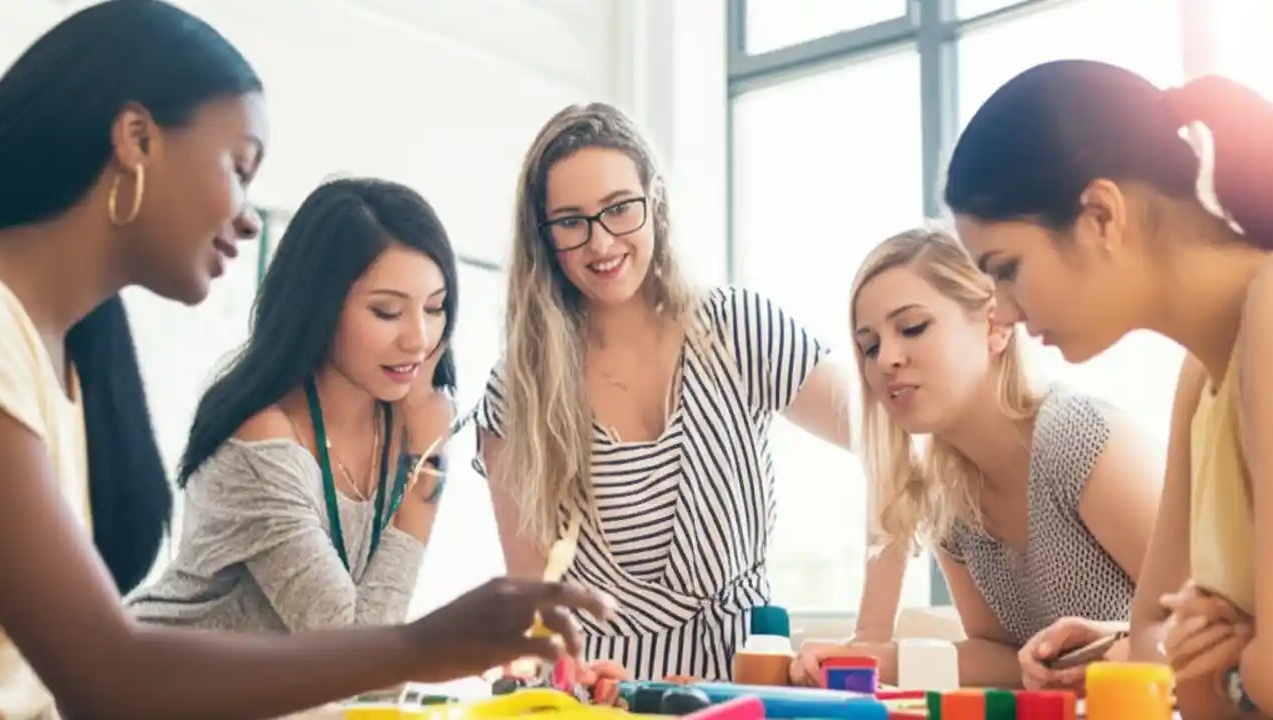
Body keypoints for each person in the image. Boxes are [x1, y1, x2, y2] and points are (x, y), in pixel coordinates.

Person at [0, 3, 611, 718]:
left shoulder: (69, 355)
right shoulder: (6, 336)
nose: (250, 216)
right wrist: (427, 638)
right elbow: (105, 672)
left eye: (435, 308)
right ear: (136, 138)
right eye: (239, 167)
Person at [473, 102, 859, 682]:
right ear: (544, 237)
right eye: (572, 222)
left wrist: (873, 633)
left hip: (749, 688)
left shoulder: (739, 329)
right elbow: (536, 607)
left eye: (618, 209)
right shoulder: (517, 391)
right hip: (608, 699)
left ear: (655, 203)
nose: (600, 244)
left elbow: (891, 441)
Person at [943, 59, 1273, 716]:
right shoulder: (1201, 379)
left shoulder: (1268, 315)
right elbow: (1155, 653)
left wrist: (1232, 663)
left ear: (1099, 213)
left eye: (1007, 270)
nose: (1001, 312)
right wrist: (1201, 651)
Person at [788, 229, 1163, 690]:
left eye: (912, 327)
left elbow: (1208, 618)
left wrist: (1116, 651)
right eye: (869, 346)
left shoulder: (1076, 439)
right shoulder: (950, 501)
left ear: (996, 326)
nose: (886, 359)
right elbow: (1003, 657)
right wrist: (872, 659)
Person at [129, 177, 457, 631]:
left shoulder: (401, 422)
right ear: (319, 305)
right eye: (386, 311)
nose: (418, 338)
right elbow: (355, 660)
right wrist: (426, 473)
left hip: (271, 699)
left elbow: (373, 674)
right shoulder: (264, 443)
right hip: (159, 692)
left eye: (435, 307)